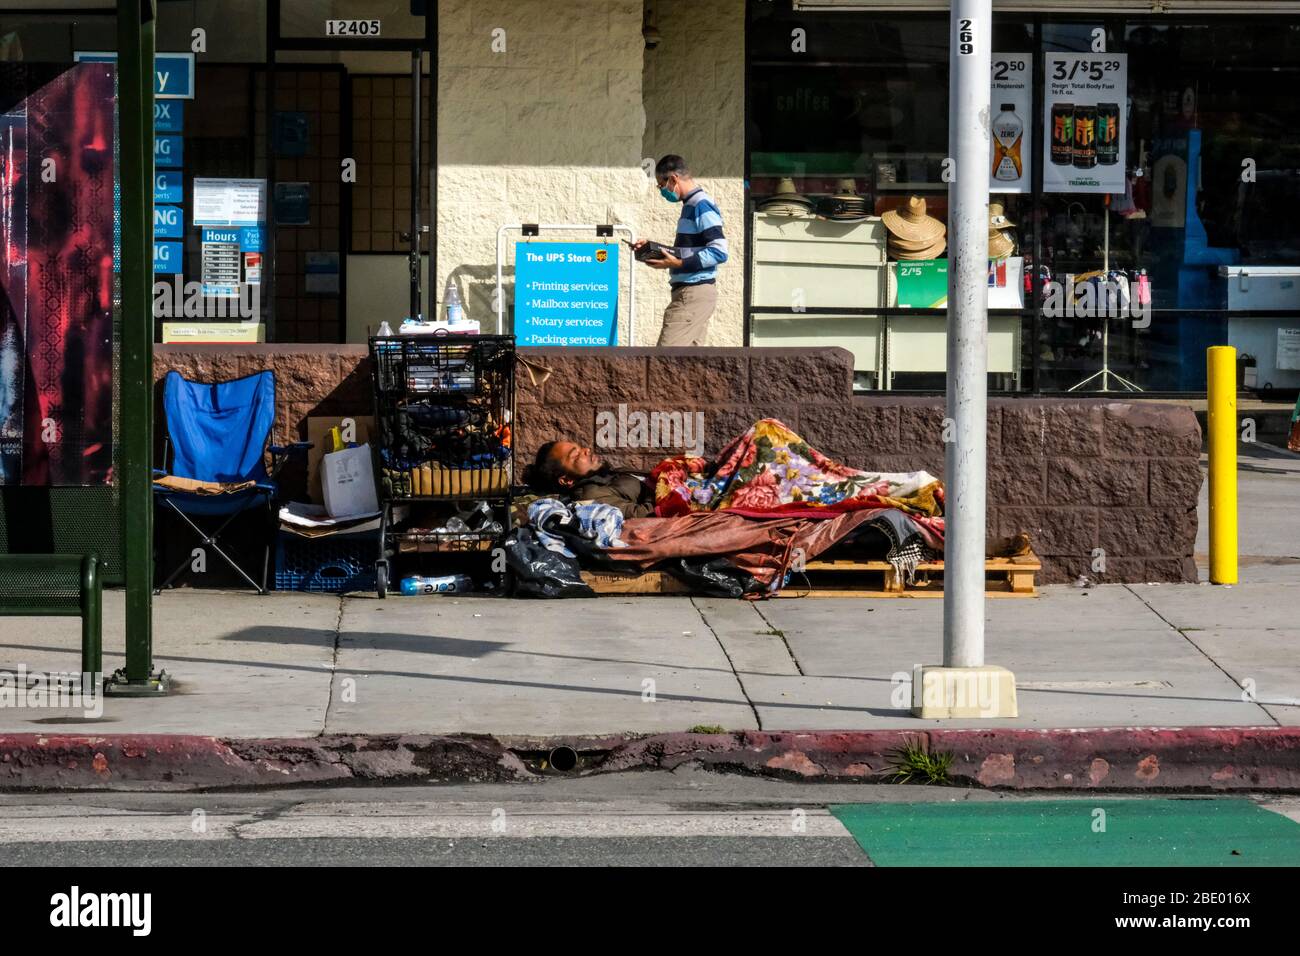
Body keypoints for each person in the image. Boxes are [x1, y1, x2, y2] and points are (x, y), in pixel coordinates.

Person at [635, 154, 728, 347]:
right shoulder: (690, 206)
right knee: (687, 368)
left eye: (661, 186)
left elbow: (719, 251)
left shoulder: (701, 205)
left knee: (663, 361)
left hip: (692, 294)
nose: (662, 192)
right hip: (692, 294)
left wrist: (678, 264)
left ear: (673, 179)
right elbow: (687, 252)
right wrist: (653, 249)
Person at [523, 441, 655, 519]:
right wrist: (662, 486)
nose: (586, 450)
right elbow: (643, 515)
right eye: (575, 455)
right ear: (566, 479)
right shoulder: (590, 497)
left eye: (580, 447)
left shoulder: (608, 475)